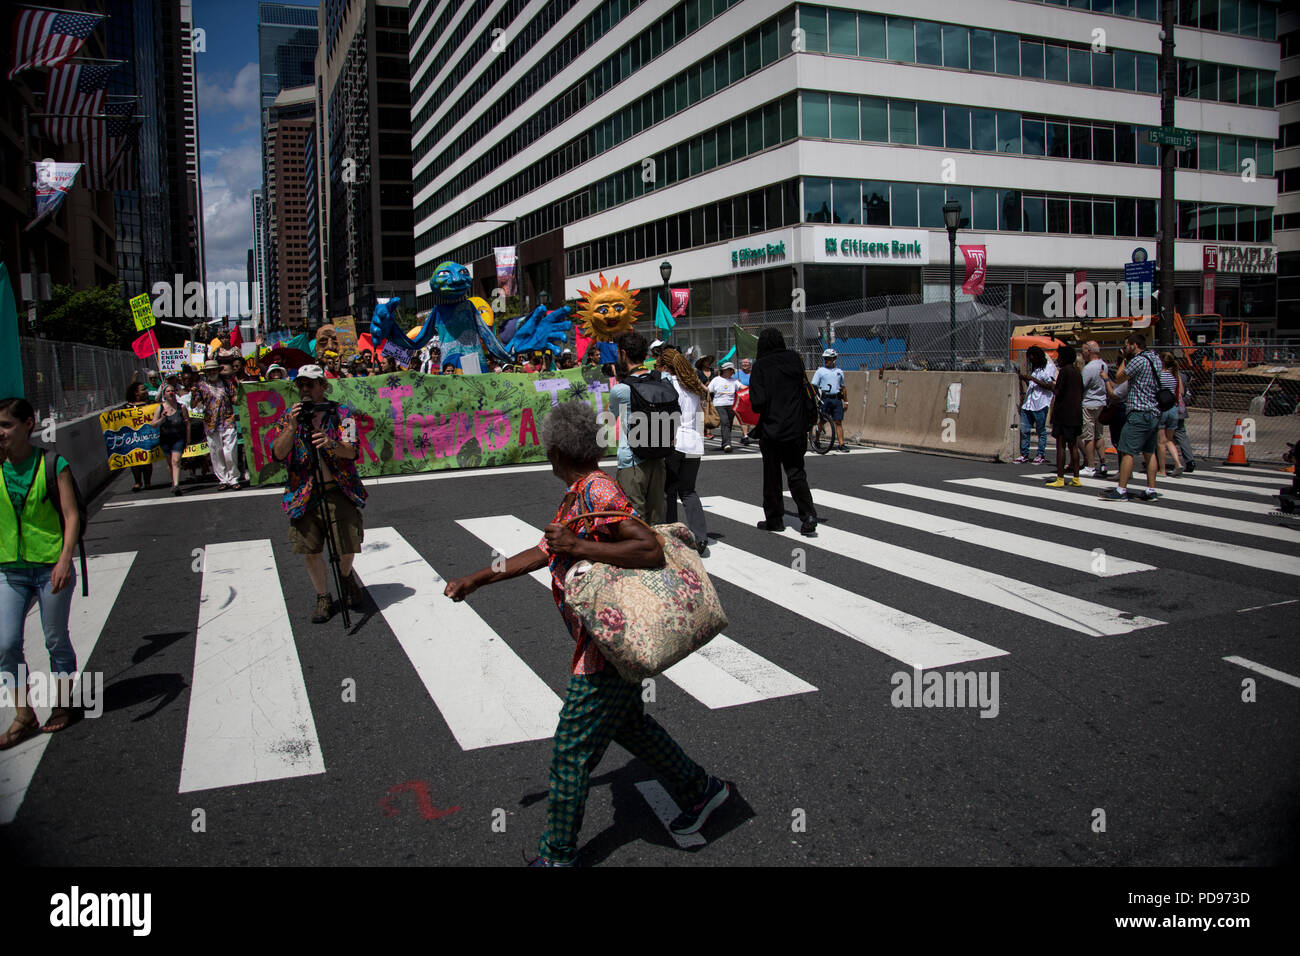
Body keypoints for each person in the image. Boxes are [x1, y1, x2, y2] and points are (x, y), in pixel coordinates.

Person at [442, 400, 731, 866]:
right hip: (606, 642)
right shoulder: (580, 492)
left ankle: (557, 856)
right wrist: (477, 578)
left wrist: (576, 546)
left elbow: (649, 547)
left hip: (606, 645)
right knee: (632, 727)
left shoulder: (597, 492)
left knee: (570, 753)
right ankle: (704, 790)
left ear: (557, 451)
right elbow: (542, 551)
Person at [0, 397, 81, 746]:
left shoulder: (51, 463)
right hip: (9, 570)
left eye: (5, 425)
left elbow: (72, 514)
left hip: (50, 566)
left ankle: (62, 704)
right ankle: (24, 715)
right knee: (5, 644)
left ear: (28, 425)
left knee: (55, 639)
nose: (0, 432)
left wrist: (65, 559)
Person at [267, 365, 367, 623]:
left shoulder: (342, 413)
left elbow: (353, 450)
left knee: (348, 544)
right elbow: (277, 453)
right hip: (304, 493)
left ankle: (345, 577)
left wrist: (332, 443)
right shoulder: (290, 416)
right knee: (311, 549)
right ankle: (323, 596)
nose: (304, 390)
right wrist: (291, 427)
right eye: (300, 384)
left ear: (323, 385)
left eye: (310, 384)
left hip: (338, 490)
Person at [749, 328, 818, 536]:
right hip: (796, 427)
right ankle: (808, 515)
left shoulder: (760, 366)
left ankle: (775, 519)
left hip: (772, 429)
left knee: (772, 477)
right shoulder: (794, 359)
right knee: (796, 473)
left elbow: (757, 403)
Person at [608, 332, 669, 525]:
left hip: (632, 460)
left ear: (623, 354)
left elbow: (610, 419)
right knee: (657, 520)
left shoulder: (621, 389)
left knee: (634, 522)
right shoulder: (663, 380)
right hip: (659, 457)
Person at [1098, 333, 1163, 502]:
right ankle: (1151, 489)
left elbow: (1119, 378)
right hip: (1154, 412)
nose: (1125, 348)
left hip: (1138, 411)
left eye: (1127, 345)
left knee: (1127, 451)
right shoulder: (1155, 358)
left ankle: (1121, 490)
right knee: (1149, 452)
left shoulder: (1138, 360)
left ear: (1134, 345)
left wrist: (1125, 358)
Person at [658, 347, 710, 554]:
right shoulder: (694, 386)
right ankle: (701, 537)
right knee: (688, 491)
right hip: (694, 443)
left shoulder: (668, 385)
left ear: (667, 367)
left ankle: (670, 536)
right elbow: (698, 416)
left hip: (675, 442)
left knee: (668, 492)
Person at [192, 359, 240, 490]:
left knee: (230, 451)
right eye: (209, 370)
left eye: (214, 370)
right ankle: (223, 479)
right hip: (210, 424)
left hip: (227, 420)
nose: (212, 372)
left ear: (218, 371)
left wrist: (242, 391)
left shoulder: (227, 384)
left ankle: (234, 478)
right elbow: (193, 404)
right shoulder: (200, 386)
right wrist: (194, 397)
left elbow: (235, 400)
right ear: (206, 372)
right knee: (216, 453)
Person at [1045, 344, 1083, 488]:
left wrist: (1052, 386)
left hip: (1063, 414)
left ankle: (1060, 478)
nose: (1058, 360)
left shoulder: (1064, 371)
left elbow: (1059, 392)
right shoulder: (1077, 372)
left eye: (1060, 357)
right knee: (1073, 446)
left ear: (1065, 358)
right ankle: (1076, 477)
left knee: (1061, 446)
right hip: (1076, 414)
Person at [1015, 346, 1056, 465]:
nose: (1031, 362)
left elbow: (1050, 386)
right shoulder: (1036, 368)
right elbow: (1033, 385)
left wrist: (1032, 378)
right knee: (1025, 430)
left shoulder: (1048, 368)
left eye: (1033, 359)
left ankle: (1040, 454)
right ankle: (1024, 454)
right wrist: (1026, 379)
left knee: (1040, 430)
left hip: (1040, 403)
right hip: (1029, 403)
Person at [150, 382, 193, 495]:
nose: (171, 393)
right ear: (164, 394)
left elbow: (187, 423)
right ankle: (173, 482)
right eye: (168, 391)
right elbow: (153, 424)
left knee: (176, 461)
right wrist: (162, 419)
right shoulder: (160, 408)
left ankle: (177, 485)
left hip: (178, 438)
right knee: (170, 463)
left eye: (172, 390)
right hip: (165, 439)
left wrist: (188, 439)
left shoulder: (181, 407)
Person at [1079, 341, 1109, 478]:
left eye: (1084, 351)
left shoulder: (1088, 368)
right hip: (1101, 402)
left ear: (1089, 351)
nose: (1083, 353)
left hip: (1089, 403)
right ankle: (1103, 462)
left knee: (1088, 435)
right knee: (1099, 434)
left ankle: (1090, 465)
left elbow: (1081, 386)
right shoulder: (1104, 365)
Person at [811, 348, 849, 452]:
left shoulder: (839, 372)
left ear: (834, 359)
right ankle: (817, 440)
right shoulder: (820, 371)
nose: (826, 361)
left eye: (828, 359)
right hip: (825, 399)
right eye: (825, 359)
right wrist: (817, 398)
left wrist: (846, 401)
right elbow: (814, 385)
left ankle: (841, 444)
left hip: (836, 399)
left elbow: (843, 388)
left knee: (838, 421)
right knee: (822, 421)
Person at [1157, 351, 1184, 477]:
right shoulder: (1175, 375)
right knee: (1169, 439)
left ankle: (1162, 470)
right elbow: (1182, 392)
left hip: (1161, 408)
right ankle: (1177, 463)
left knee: (1161, 441)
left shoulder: (1159, 375)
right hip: (1174, 408)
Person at [124, 382, 155, 492]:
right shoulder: (127, 407)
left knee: (147, 459)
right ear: (136, 393)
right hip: (133, 437)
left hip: (146, 436)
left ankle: (147, 482)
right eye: (143, 389)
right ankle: (137, 482)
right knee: (135, 460)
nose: (145, 391)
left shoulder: (150, 404)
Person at [708, 362, 741, 452]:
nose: (731, 372)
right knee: (725, 422)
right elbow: (708, 390)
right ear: (724, 370)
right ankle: (727, 444)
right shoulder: (716, 380)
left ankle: (724, 443)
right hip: (719, 405)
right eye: (730, 370)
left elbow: (742, 387)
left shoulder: (734, 380)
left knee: (728, 424)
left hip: (731, 405)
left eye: (732, 370)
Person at [736, 357, 754, 445]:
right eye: (743, 363)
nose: (745, 364)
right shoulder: (737, 374)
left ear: (750, 364)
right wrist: (737, 382)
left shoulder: (754, 374)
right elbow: (732, 383)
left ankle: (744, 435)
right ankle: (746, 436)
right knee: (743, 417)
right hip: (741, 398)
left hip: (752, 398)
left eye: (747, 362)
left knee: (749, 418)